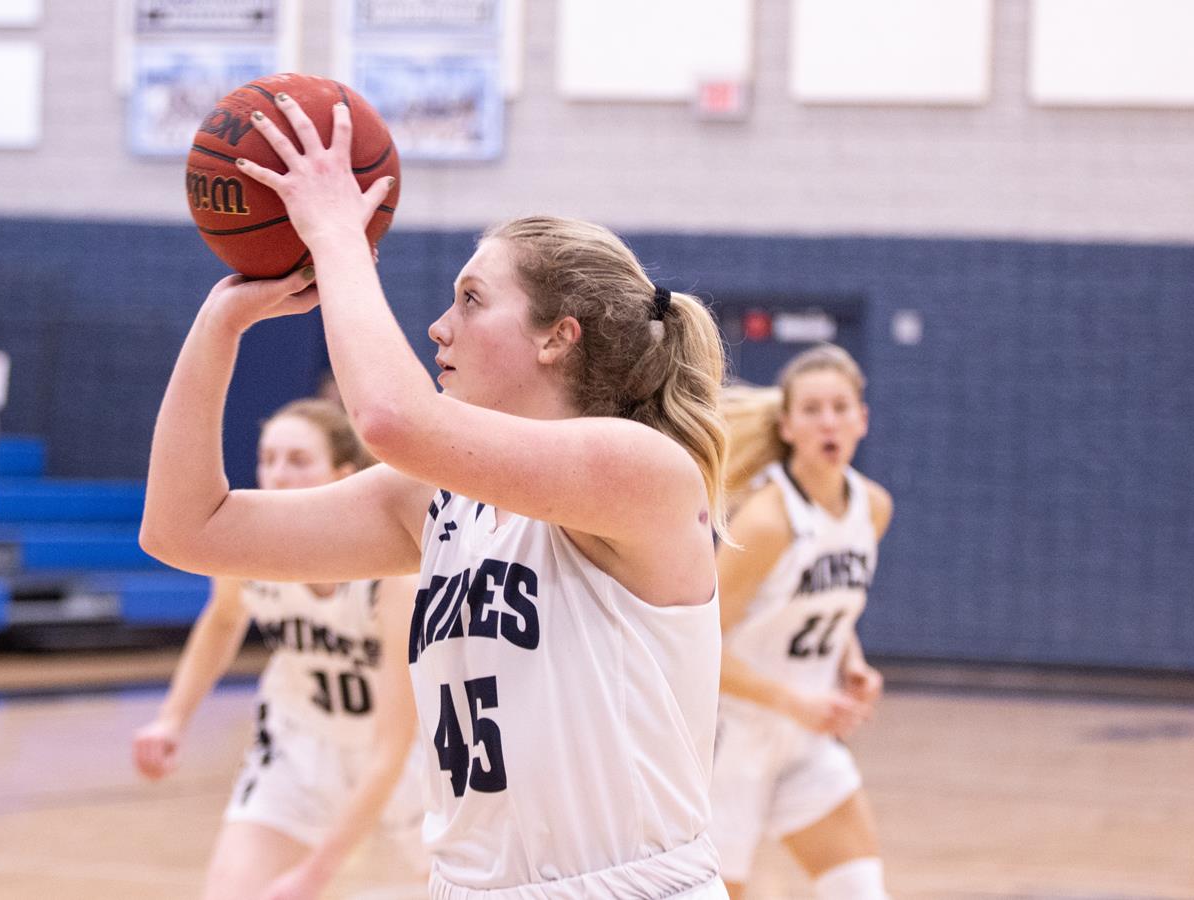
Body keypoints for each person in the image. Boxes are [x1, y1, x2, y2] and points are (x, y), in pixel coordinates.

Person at [141, 93, 731, 898]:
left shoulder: (642, 470)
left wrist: (338, 235)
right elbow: (186, 528)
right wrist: (219, 326)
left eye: (472, 300)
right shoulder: (436, 502)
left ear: (558, 335)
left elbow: (389, 418)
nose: (438, 326)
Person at [133, 397, 422, 899]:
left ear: (343, 475)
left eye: (298, 461)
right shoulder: (246, 545)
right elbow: (224, 619)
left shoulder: (394, 579)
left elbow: (391, 750)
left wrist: (316, 874)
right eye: (268, 460)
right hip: (300, 741)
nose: (278, 475)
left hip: (412, 758)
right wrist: (173, 718)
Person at [710, 345, 894, 899]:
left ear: (862, 418)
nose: (828, 421)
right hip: (729, 740)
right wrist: (792, 700)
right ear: (787, 426)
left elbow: (823, 606)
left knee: (860, 892)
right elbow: (696, 645)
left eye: (841, 407)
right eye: (812, 410)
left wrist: (852, 663)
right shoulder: (767, 521)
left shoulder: (873, 507)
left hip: (805, 739)